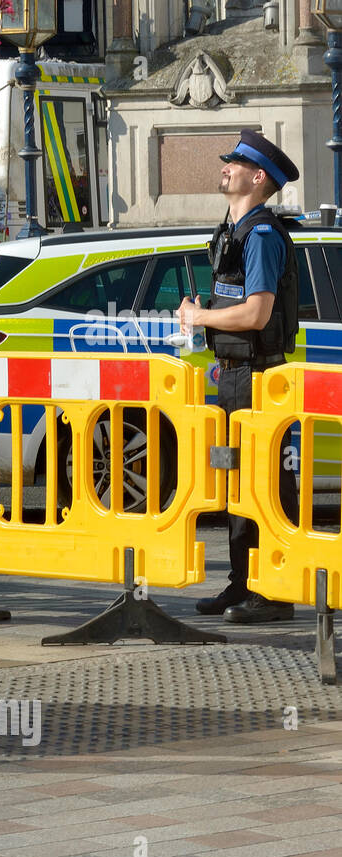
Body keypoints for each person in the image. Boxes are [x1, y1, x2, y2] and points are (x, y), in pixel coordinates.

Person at [179, 128, 300, 624]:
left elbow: (255, 314)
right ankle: (241, 582)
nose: (224, 167)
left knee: (265, 485)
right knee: (234, 484)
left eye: (234, 164)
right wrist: (203, 319)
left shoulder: (263, 234)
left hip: (258, 379)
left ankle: (274, 592)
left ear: (257, 178)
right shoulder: (232, 231)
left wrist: (200, 319)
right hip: (232, 376)